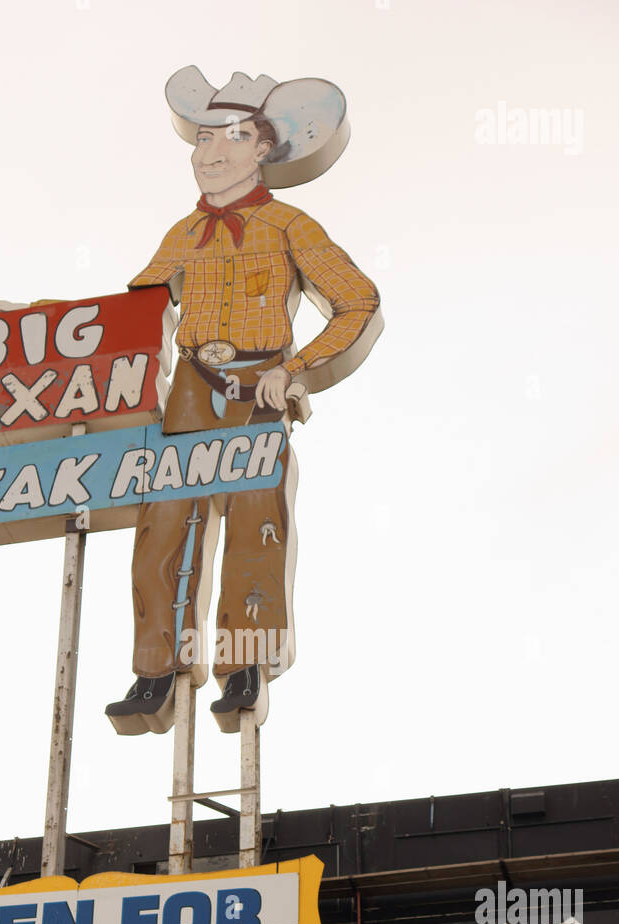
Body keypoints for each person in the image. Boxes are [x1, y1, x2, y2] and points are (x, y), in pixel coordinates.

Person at [105, 67, 383, 734]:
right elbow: (132, 312)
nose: (211, 154)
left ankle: (245, 667)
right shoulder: (182, 234)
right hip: (193, 389)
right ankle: (155, 670)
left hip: (258, 390)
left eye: (230, 138)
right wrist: (39, 326)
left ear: (263, 148)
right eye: (202, 139)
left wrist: (296, 367)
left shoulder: (290, 224)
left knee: (258, 524)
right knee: (163, 523)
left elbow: (357, 303)